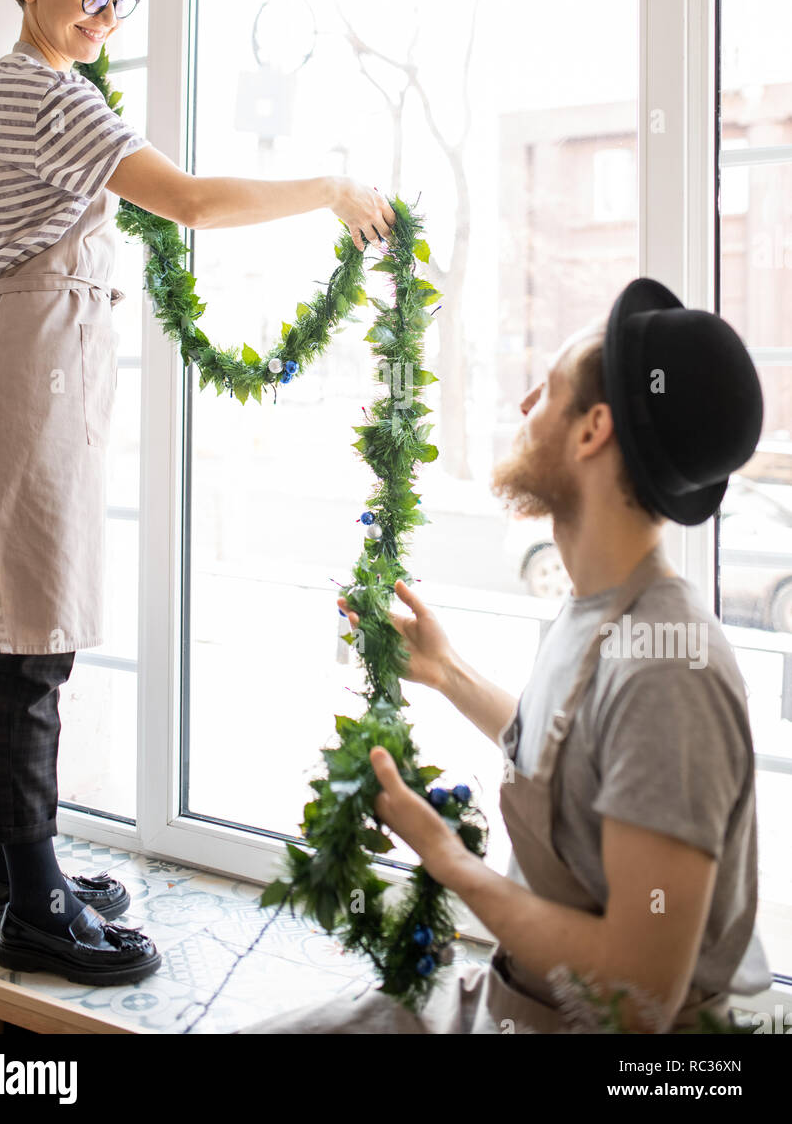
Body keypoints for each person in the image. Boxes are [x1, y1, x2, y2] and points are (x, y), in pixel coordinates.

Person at [0, 0, 395, 986]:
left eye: (119, 0)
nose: (104, 17)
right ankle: (37, 904)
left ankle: (9, 871)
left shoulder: (51, 83)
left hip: (35, 381)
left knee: (8, 627)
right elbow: (189, 199)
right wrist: (330, 183)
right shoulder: (40, 94)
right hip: (28, 388)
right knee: (34, 642)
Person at [240, 277, 772, 1034]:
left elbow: (642, 992)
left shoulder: (670, 672)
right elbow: (573, 765)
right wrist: (447, 672)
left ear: (592, 431)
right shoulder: (603, 608)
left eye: (547, 388)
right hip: (512, 1007)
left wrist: (448, 861)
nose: (525, 406)